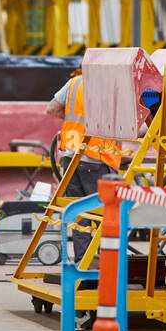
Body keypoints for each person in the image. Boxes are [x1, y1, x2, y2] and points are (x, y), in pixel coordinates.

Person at [45, 68, 124, 261]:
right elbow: (134, 128)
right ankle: (107, 263)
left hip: (71, 157)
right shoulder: (114, 87)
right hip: (98, 158)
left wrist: (77, 126)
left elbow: (52, 108)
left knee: (80, 211)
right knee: (106, 213)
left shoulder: (74, 83)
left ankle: (83, 261)